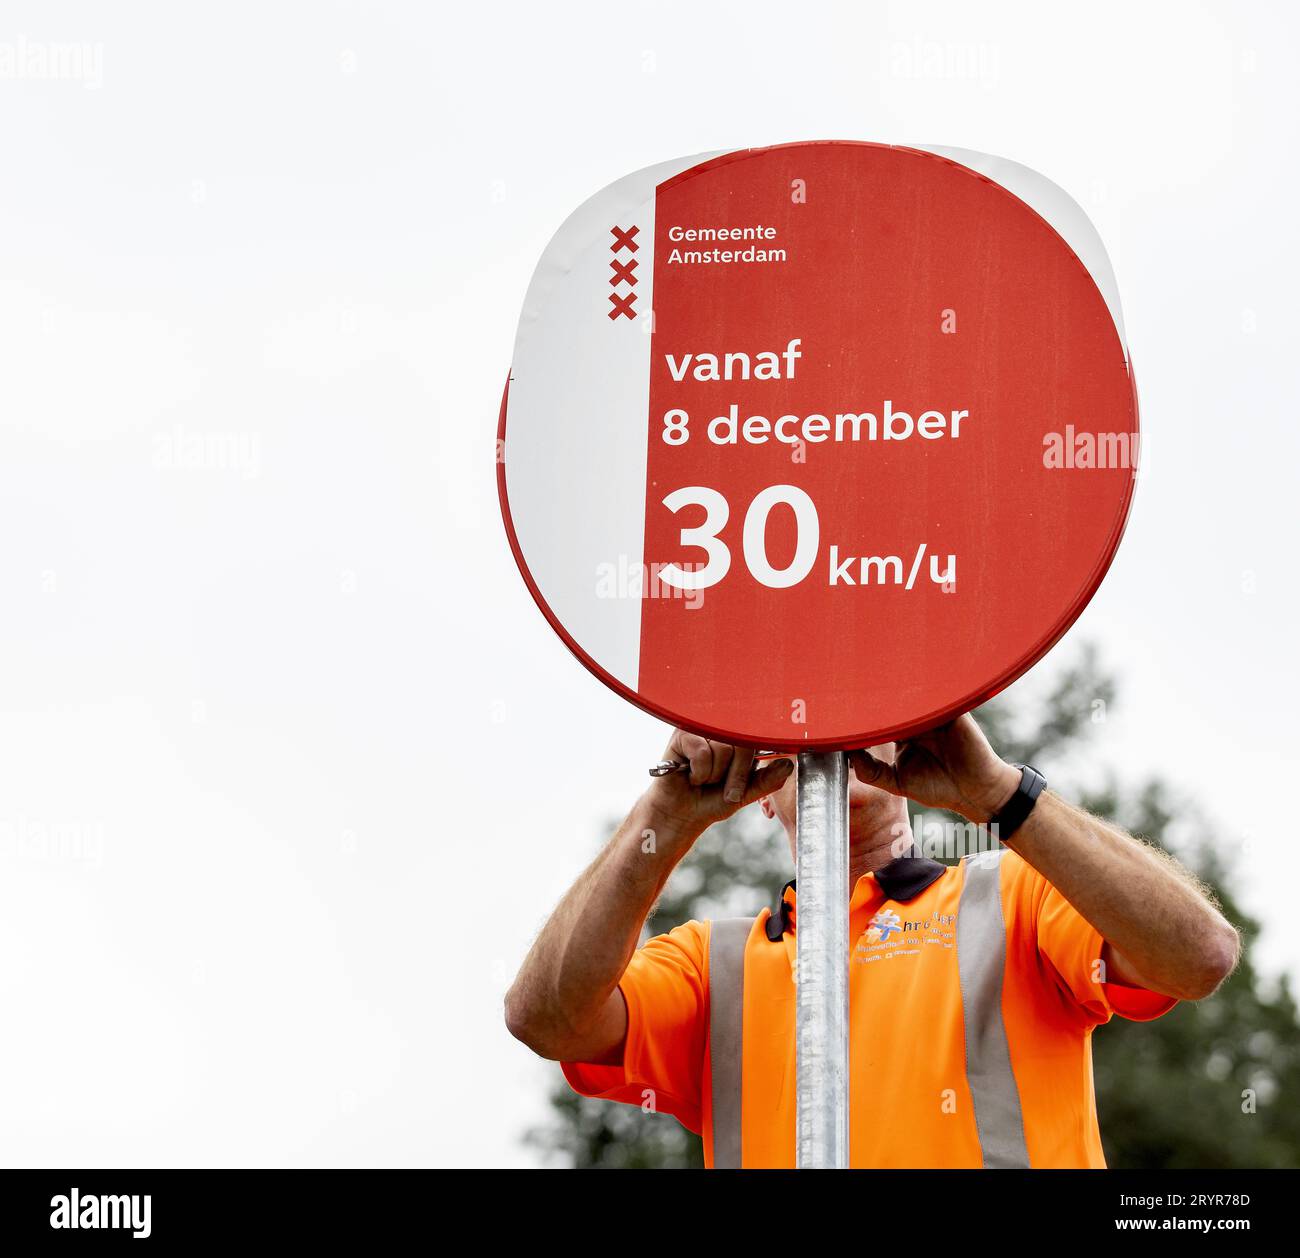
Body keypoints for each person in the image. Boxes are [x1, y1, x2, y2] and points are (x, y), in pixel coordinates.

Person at [505, 716, 1240, 1167]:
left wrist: (996, 793)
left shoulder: (1013, 898)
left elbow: (1199, 955)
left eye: (859, 711)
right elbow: (543, 1018)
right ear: (762, 789)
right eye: (793, 726)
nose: (828, 734)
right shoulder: (714, 969)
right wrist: (665, 812)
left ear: (903, 741)